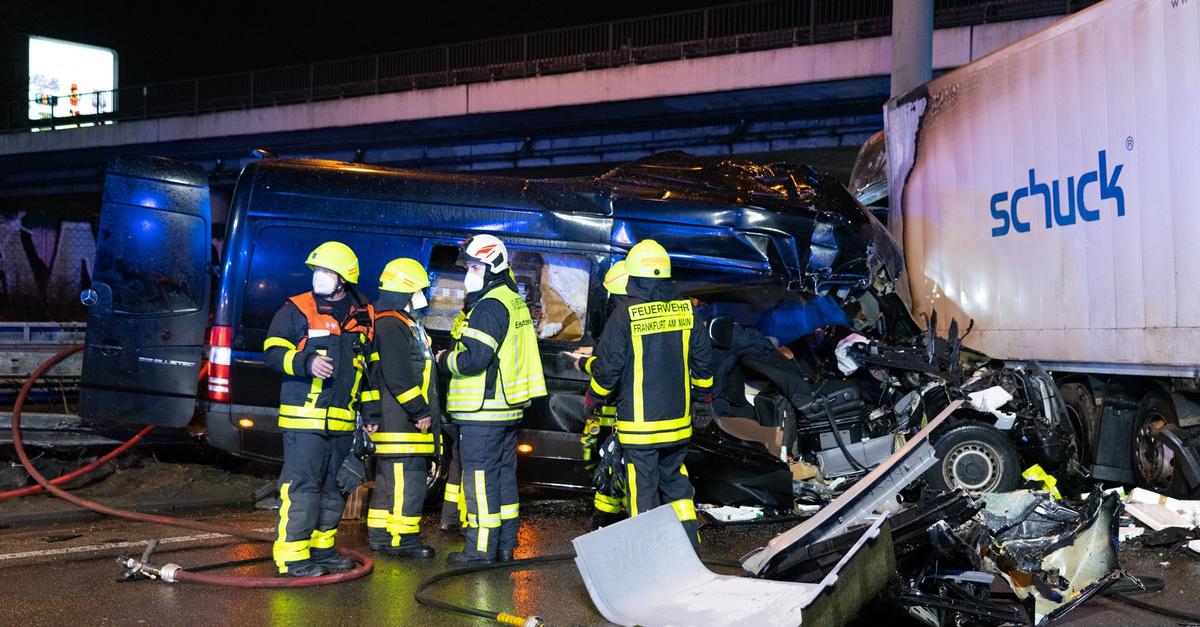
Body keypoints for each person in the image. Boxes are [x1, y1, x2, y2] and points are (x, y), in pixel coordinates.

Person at [585, 239, 714, 550]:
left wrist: (593, 399)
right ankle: (688, 550)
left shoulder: (625, 314)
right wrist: (703, 400)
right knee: (677, 485)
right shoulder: (686, 310)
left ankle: (650, 556)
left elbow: (608, 369)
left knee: (642, 489)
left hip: (639, 428)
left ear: (633, 276)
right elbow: (703, 361)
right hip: (678, 423)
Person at [263, 241, 373, 577]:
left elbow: (368, 371)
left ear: (343, 279)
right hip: (304, 421)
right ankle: (292, 557)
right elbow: (272, 351)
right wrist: (305, 362)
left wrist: (371, 417)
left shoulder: (363, 315)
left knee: (333, 490)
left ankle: (322, 550)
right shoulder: (296, 309)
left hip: (342, 424)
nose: (319, 276)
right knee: (303, 489)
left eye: (327, 271)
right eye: (317, 270)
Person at [436, 234, 548, 566]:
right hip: (506, 409)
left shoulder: (488, 306)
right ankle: (503, 546)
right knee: (501, 479)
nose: (468, 273)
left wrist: (444, 359)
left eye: (473, 266)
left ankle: (480, 551)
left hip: (482, 411)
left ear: (492, 265)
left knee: (480, 482)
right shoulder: (511, 298)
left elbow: (474, 360)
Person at [364, 258, 440, 559]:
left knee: (387, 483)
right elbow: (398, 377)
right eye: (420, 290)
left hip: (394, 421)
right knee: (408, 484)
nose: (424, 296)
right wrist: (420, 411)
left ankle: (380, 537)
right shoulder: (392, 325)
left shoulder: (396, 322)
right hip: (402, 423)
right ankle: (404, 540)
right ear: (406, 292)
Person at [576, 260, 631, 529]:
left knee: (609, 463)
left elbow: (607, 367)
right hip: (635, 410)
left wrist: (592, 399)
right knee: (616, 463)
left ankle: (604, 522)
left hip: (616, 408)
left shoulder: (619, 319)